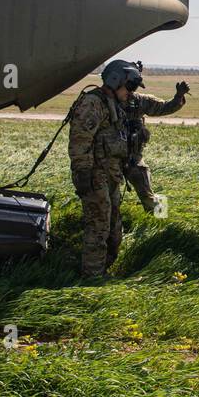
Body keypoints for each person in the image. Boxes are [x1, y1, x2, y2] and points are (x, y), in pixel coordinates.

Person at [67, 60, 139, 277]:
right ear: (115, 80)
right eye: (130, 87)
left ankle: (104, 270)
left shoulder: (113, 104)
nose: (131, 93)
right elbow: (80, 139)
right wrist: (83, 173)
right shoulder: (92, 103)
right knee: (98, 229)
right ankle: (92, 278)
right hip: (95, 177)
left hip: (111, 177)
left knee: (114, 230)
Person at [123, 74, 190, 212]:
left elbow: (165, 107)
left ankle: (160, 221)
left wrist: (178, 96)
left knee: (148, 195)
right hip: (107, 158)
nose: (131, 90)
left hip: (133, 157)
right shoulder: (102, 102)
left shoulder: (139, 100)